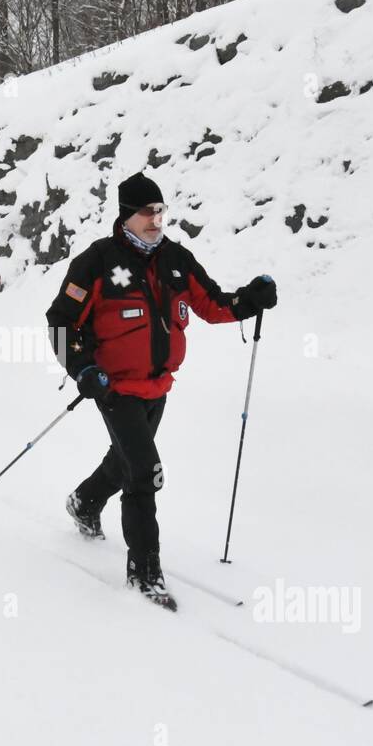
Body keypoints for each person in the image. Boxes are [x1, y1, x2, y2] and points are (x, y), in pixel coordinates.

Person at [45, 171, 277, 610]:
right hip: (113, 387)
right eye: (146, 212)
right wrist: (81, 367)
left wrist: (250, 300)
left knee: (126, 460)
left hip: (158, 384)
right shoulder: (96, 263)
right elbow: (60, 322)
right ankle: (144, 573)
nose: (156, 219)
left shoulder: (175, 259)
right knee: (145, 471)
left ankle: (85, 501)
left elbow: (212, 304)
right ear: (125, 216)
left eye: (159, 211)